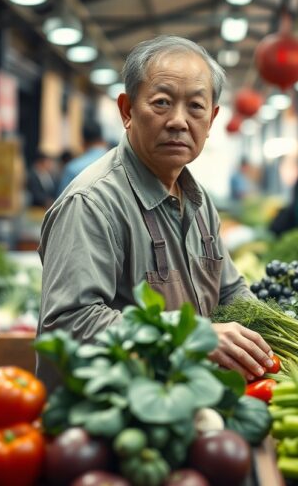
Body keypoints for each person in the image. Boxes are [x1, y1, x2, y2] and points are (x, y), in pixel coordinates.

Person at [37, 35, 273, 387]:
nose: (179, 121)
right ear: (127, 111)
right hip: (106, 416)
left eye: (196, 106)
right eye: (162, 102)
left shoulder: (198, 200)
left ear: (212, 119)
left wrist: (285, 334)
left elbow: (230, 291)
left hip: (180, 401)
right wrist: (193, 334)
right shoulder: (91, 204)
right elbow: (72, 323)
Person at [57, 122, 108, 194]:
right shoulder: (117, 162)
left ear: (83, 141)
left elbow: (62, 202)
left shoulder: (72, 168)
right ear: (102, 139)